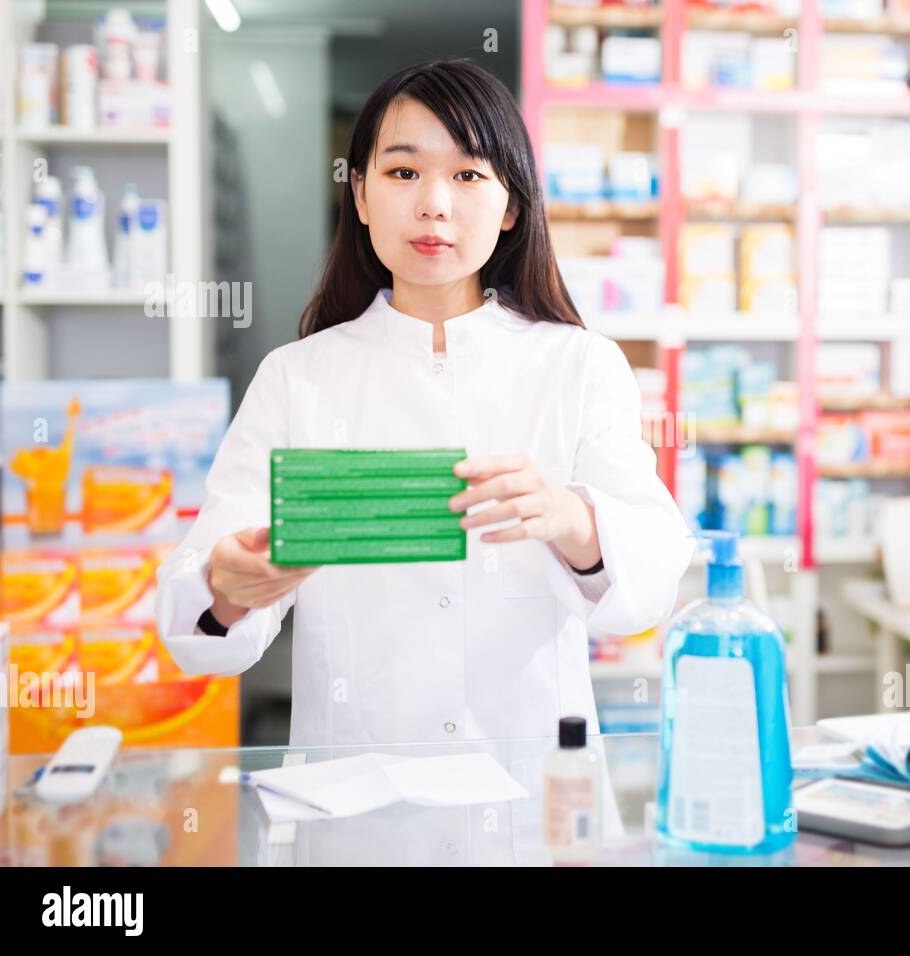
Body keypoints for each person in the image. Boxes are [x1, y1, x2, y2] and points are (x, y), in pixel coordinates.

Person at [155, 59, 694, 747]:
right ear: (359, 195)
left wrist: (572, 519)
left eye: (468, 174)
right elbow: (201, 629)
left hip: (529, 798)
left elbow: (649, 588)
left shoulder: (578, 365)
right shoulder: (298, 378)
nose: (434, 203)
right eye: (403, 172)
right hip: (355, 809)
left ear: (511, 206)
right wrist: (228, 585)